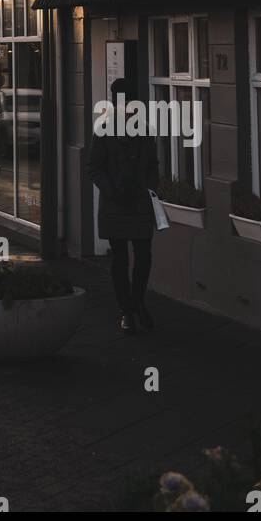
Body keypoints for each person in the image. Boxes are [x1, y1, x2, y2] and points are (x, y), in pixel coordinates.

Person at [88, 81, 160, 335]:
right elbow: (94, 167)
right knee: (120, 259)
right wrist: (112, 191)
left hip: (139, 203)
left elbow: (153, 167)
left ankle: (138, 302)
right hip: (114, 204)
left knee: (143, 256)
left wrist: (147, 189)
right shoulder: (103, 130)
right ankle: (127, 310)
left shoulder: (145, 130)